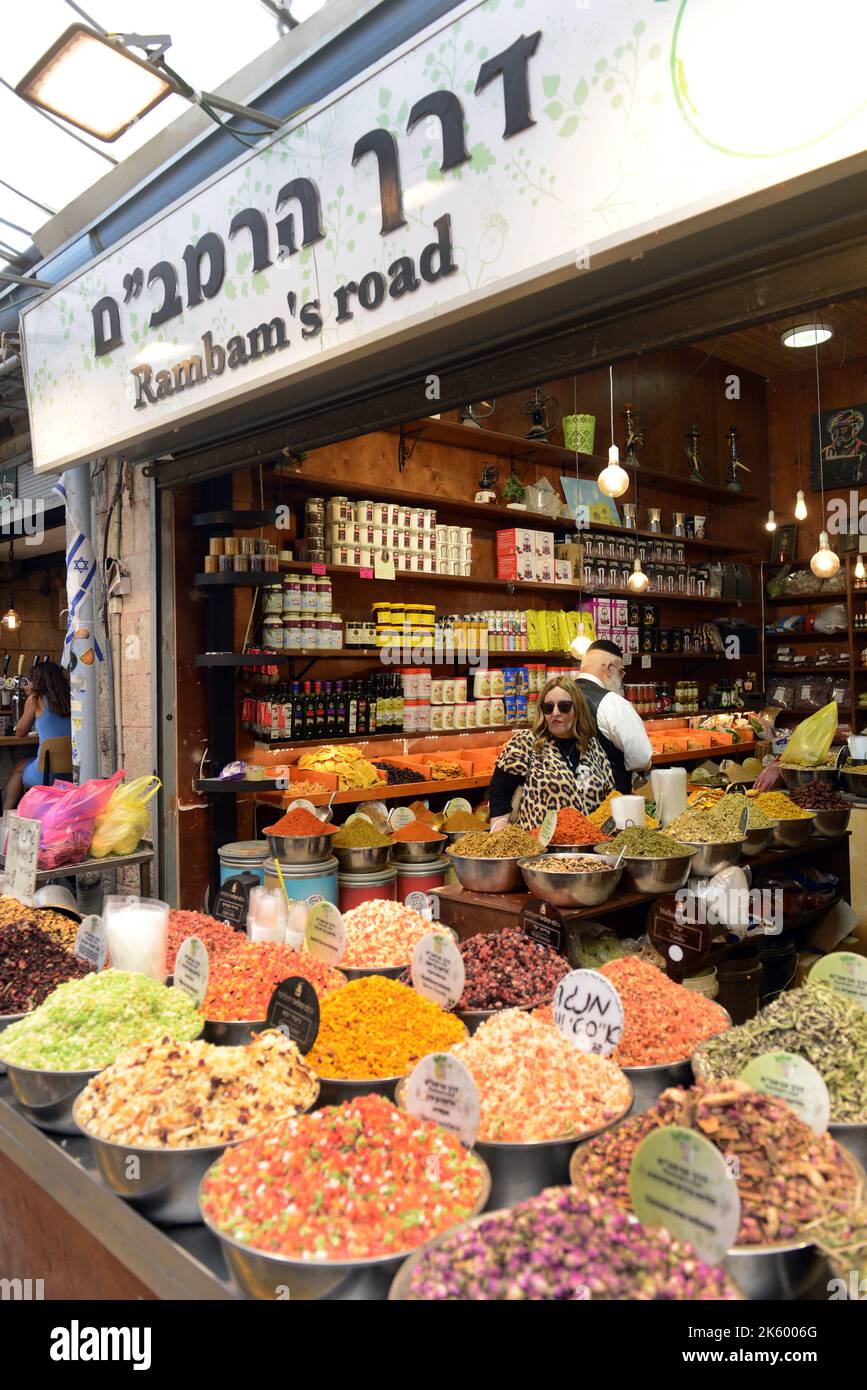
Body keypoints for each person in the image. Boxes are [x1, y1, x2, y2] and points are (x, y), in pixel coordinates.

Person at [489, 675, 615, 831]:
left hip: (588, 846)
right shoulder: (526, 743)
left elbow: (609, 799)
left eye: (564, 706)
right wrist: (498, 836)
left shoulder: (592, 745)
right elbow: (499, 795)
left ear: (578, 709)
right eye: (548, 707)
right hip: (539, 848)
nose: (555, 713)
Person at [577, 639, 653, 793]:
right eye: (621, 671)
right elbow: (641, 758)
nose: (621, 678)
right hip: (609, 802)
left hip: (570, 799)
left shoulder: (558, 697)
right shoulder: (612, 702)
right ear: (608, 668)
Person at [4, 661, 71, 811]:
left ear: (38, 681)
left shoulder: (35, 699)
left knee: (20, 766)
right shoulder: (72, 698)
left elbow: (20, 731)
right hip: (74, 771)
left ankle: (5, 813)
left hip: (48, 773)